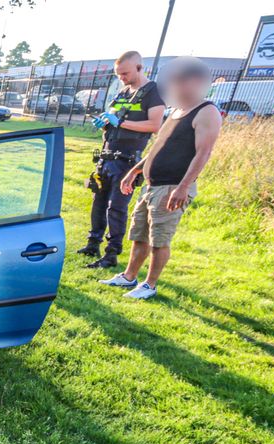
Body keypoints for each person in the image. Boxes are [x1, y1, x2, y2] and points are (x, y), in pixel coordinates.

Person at [99, 57, 221, 299]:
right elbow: (158, 147)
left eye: (179, 82)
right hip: (151, 185)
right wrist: (135, 171)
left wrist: (183, 187)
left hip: (172, 187)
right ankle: (129, 276)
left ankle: (149, 285)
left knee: (159, 238)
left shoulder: (206, 112)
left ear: (196, 83)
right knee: (139, 234)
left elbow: (203, 153)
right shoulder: (176, 111)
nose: (173, 88)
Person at [78, 51, 166, 269]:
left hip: (127, 161)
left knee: (116, 207)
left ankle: (111, 254)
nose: (122, 78)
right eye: (119, 75)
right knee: (99, 203)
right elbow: (112, 120)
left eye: (125, 73)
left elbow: (156, 126)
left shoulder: (153, 92)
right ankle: (93, 244)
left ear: (139, 67)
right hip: (107, 157)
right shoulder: (123, 93)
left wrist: (120, 123)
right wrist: (105, 124)